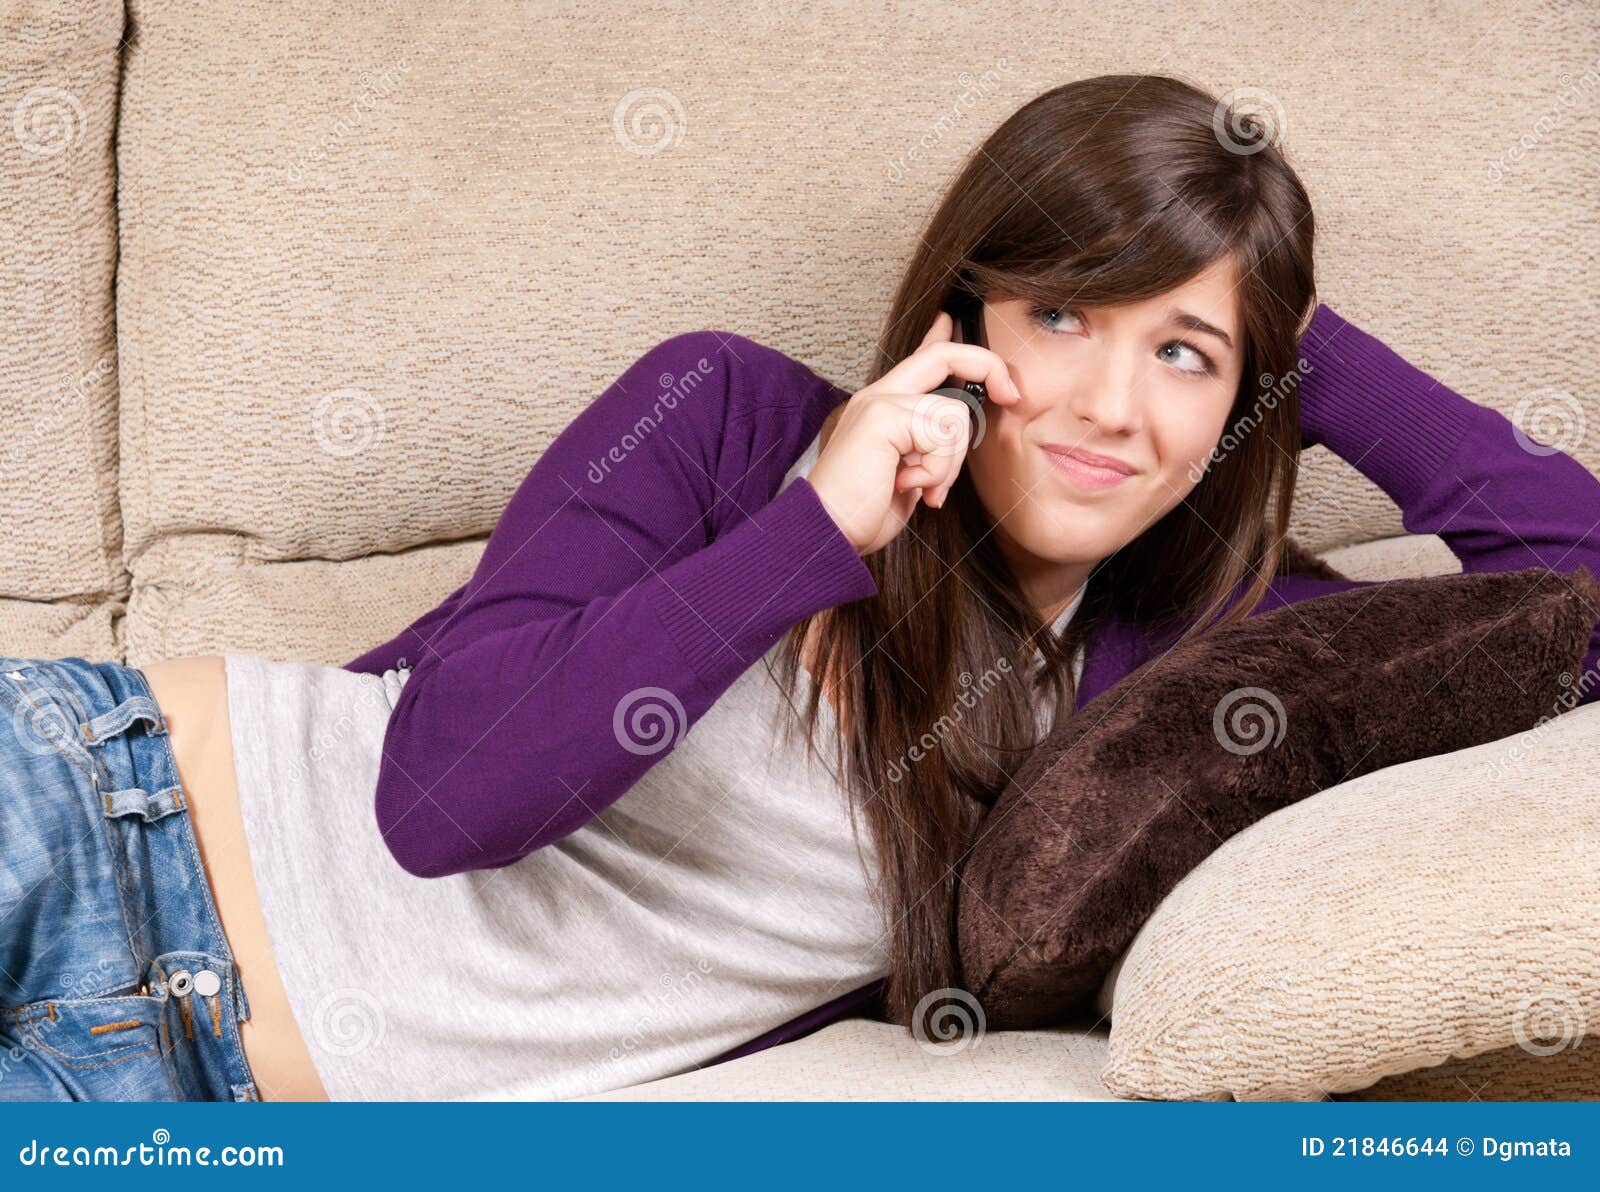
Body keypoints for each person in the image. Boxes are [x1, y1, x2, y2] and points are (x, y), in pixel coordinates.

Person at [4, 73, 1597, 1102]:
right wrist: (812, 535)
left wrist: (1283, 323)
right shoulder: (722, 423)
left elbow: (1574, 594)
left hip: (186, 1095)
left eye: (1181, 356)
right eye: (1067, 317)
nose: (1114, 406)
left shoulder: (1202, 664)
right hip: (94, 800)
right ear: (968, 316)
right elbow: (442, 802)